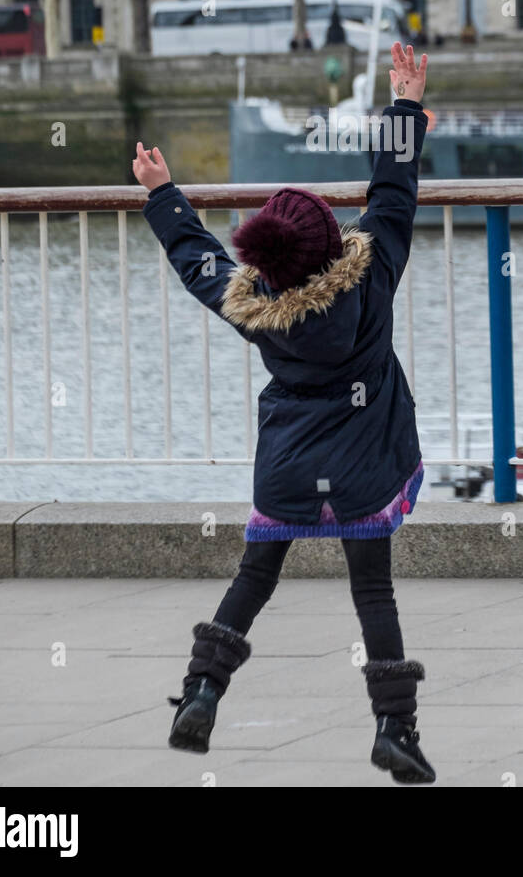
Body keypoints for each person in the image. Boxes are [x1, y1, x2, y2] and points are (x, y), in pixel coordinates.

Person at [132, 42, 435, 785]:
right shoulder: (374, 276)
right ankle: (395, 731)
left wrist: (162, 193)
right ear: (336, 243)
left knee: (254, 578)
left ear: (264, 263)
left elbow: (199, 262)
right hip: (364, 469)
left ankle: (201, 691)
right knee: (374, 592)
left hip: (289, 468)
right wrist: (402, 106)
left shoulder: (253, 307)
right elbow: (391, 191)